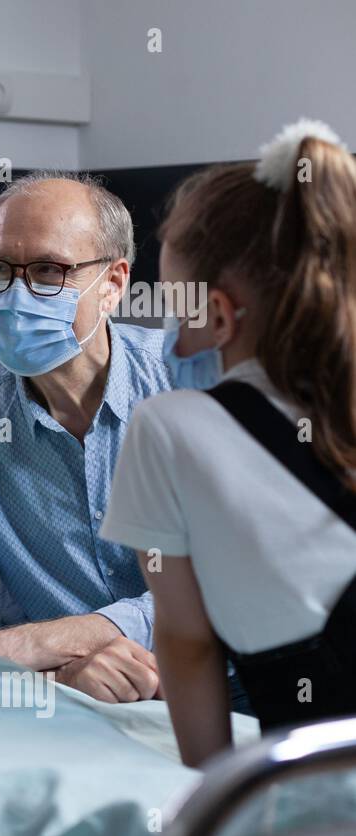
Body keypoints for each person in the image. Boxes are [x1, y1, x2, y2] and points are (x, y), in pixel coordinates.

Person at [102, 120, 356, 766]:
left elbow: (187, 646)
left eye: (175, 307)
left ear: (218, 316)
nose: (167, 332)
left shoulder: (167, 427)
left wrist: (212, 822)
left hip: (321, 804)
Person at [0, 172, 172, 703]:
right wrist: (55, 677)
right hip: (66, 704)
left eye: (48, 270)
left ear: (113, 284)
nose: (17, 294)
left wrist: (68, 635)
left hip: (244, 691)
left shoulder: (188, 384)